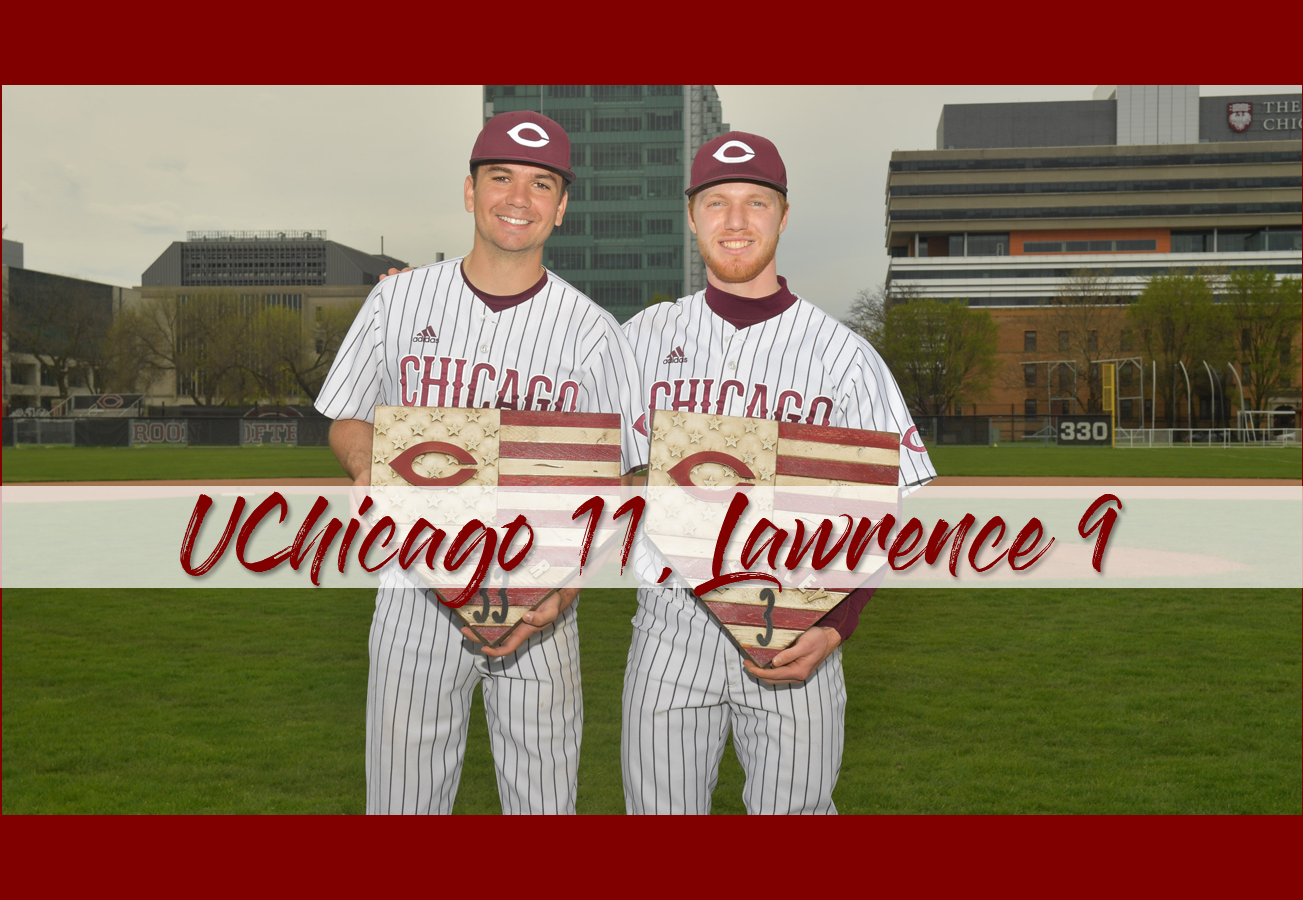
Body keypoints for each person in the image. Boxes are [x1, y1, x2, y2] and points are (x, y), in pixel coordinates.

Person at [316, 110, 646, 814]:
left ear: (561, 206)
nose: (518, 198)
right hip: (412, 593)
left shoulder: (595, 332)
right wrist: (368, 463)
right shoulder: (397, 301)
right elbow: (348, 419)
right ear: (470, 192)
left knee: (544, 807)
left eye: (540, 183)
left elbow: (625, 478)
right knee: (402, 804)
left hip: (541, 603)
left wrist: (572, 580)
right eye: (500, 177)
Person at [618, 132, 936, 814]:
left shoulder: (843, 356)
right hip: (671, 628)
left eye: (756, 202)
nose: (736, 221)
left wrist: (837, 621)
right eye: (717, 201)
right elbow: (547, 423)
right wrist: (429, 308)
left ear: (784, 216)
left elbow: (888, 509)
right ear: (693, 216)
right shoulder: (640, 340)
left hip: (801, 626)